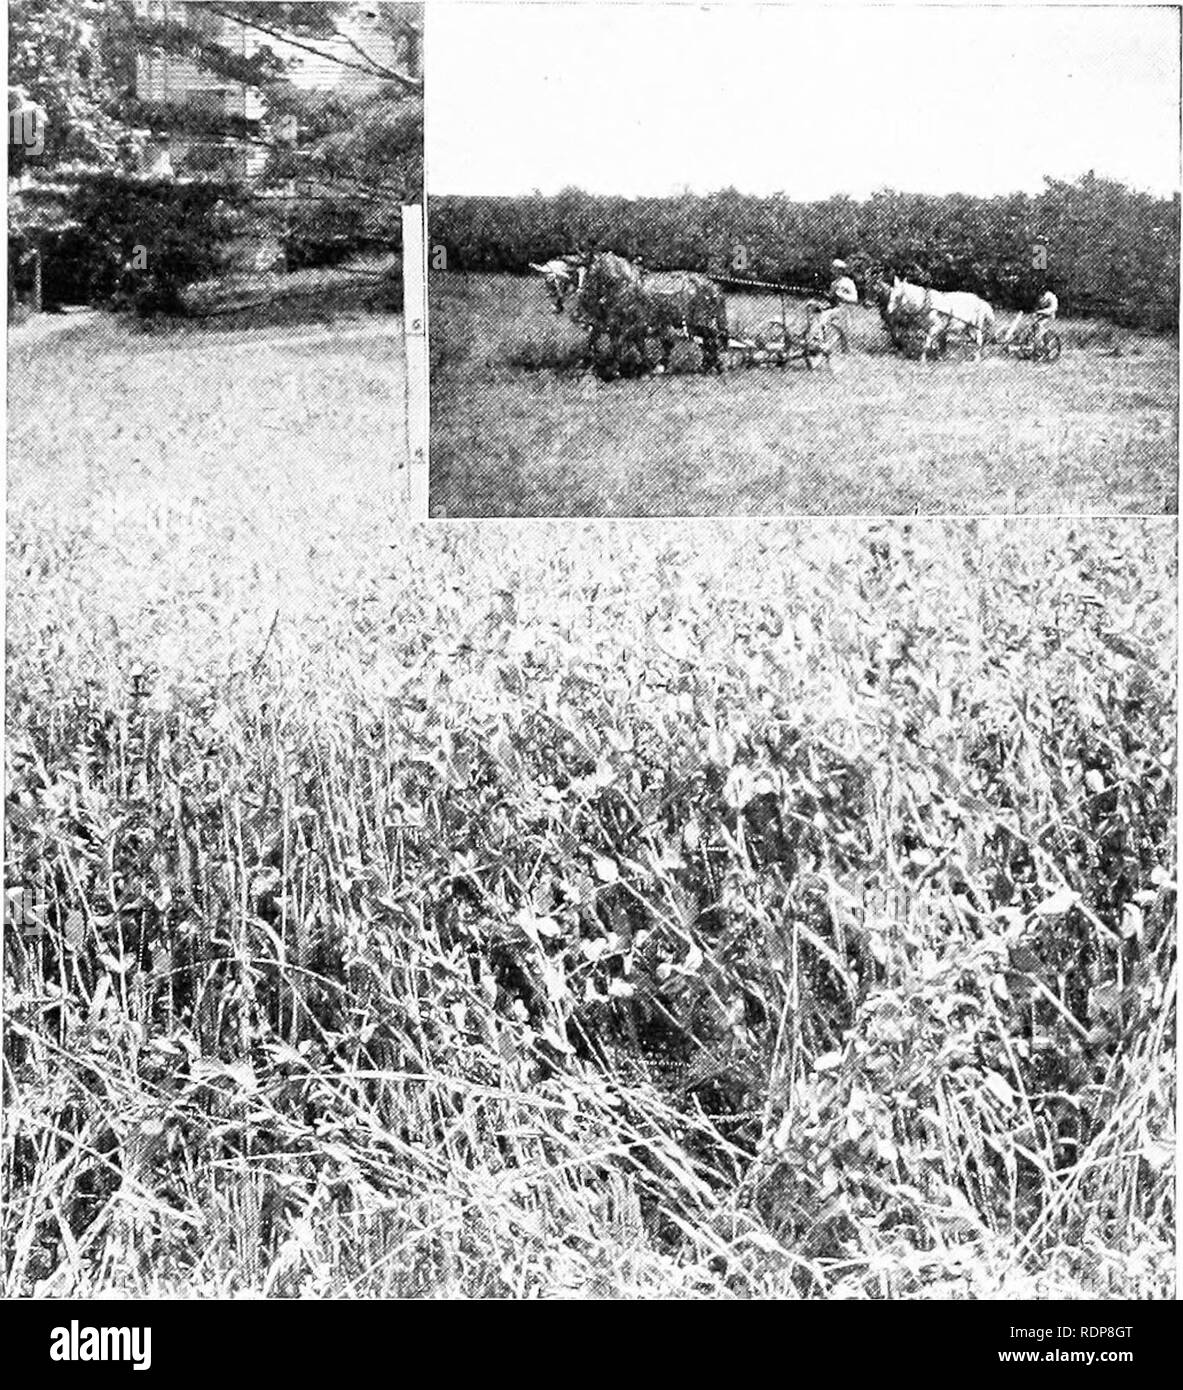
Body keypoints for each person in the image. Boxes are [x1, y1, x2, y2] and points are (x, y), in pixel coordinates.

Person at [818, 258, 859, 352]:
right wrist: (824, 300)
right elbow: (831, 299)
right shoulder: (834, 283)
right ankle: (821, 342)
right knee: (823, 317)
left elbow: (855, 298)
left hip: (847, 309)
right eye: (833, 269)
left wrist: (842, 295)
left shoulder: (848, 282)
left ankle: (846, 350)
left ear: (841, 270)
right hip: (837, 309)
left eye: (836, 269)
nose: (834, 272)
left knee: (844, 332)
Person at [1032, 286, 1059, 354]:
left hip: (1050, 315)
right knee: (1034, 326)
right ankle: (1035, 344)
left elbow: (1053, 309)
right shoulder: (1041, 296)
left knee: (1040, 326)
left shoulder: (1051, 297)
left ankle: (1041, 345)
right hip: (1042, 315)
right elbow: (1038, 306)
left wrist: (1040, 311)